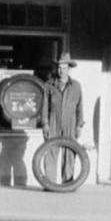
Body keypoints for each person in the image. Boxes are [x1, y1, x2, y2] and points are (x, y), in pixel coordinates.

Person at [43, 52, 85, 182]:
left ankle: (67, 181)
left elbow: (80, 107)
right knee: (51, 150)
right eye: (59, 68)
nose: (61, 71)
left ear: (69, 69)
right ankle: (50, 182)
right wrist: (45, 123)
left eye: (64, 68)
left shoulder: (76, 86)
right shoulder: (49, 85)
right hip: (53, 120)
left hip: (70, 122)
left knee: (69, 151)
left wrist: (79, 125)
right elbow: (45, 105)